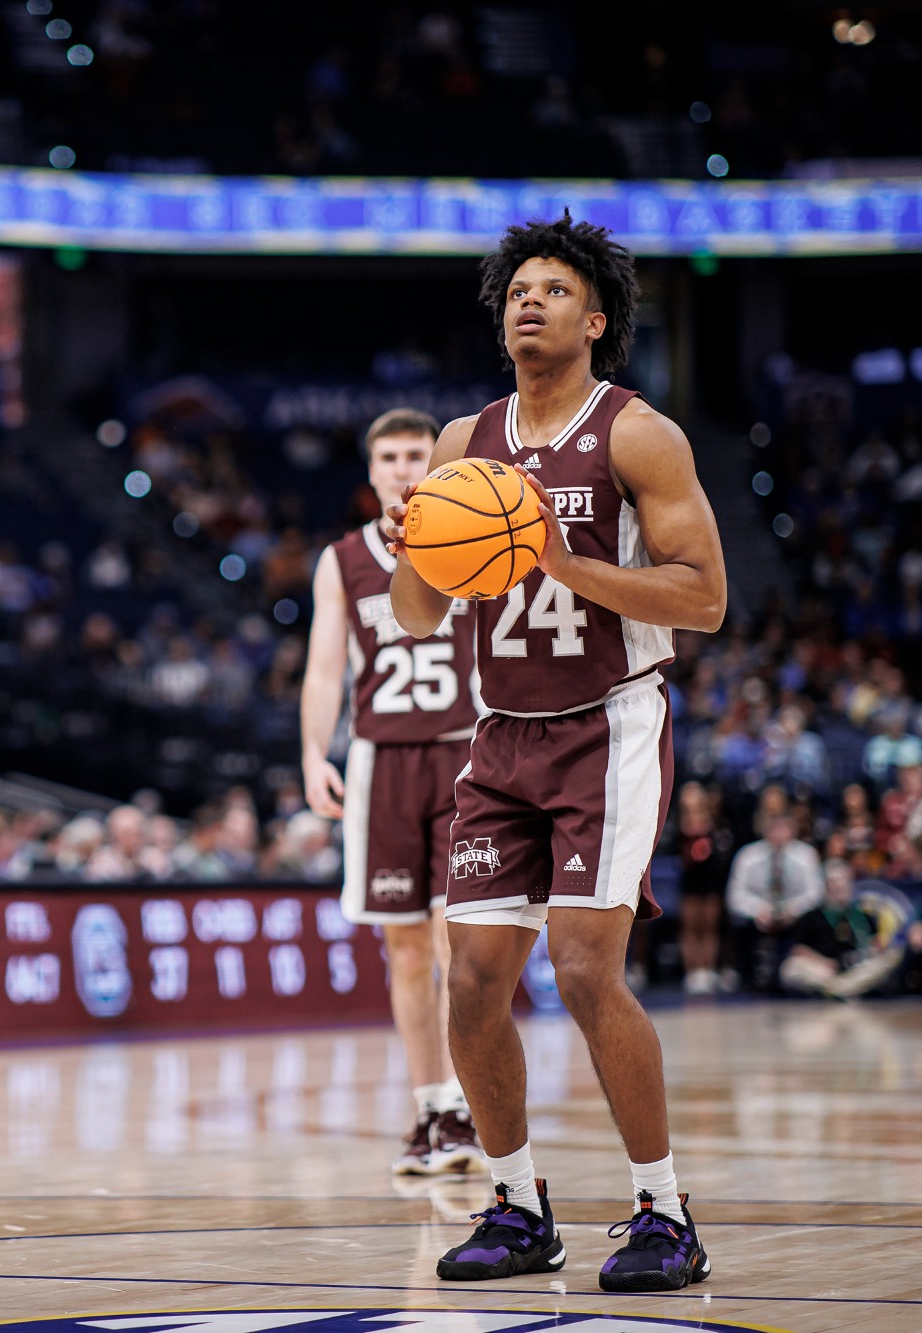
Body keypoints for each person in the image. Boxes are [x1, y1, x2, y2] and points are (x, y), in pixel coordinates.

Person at [390, 214, 727, 1292]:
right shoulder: (462, 441)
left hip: (607, 723)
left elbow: (703, 599)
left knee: (583, 968)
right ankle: (516, 1203)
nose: (527, 302)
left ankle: (663, 1211)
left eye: (551, 289)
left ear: (595, 320)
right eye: (515, 291)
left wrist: (558, 557)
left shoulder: (638, 434)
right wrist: (416, 548)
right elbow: (414, 614)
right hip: (501, 735)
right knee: (471, 979)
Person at [302, 407, 479, 1176]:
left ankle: (464, 1103)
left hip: (466, 755)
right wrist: (314, 753)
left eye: (416, 453)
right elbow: (323, 670)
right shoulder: (342, 560)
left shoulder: (477, 536)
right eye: (391, 456)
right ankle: (430, 1105)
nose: (404, 467)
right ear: (371, 471)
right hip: (381, 760)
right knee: (404, 949)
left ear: (435, 463)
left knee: (453, 941)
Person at [725, 812, 824, 990]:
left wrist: (792, 911)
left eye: (783, 829)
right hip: (759, 917)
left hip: (795, 917)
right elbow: (735, 896)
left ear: (792, 830)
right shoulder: (748, 856)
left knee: (815, 920)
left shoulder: (806, 855)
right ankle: (747, 978)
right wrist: (757, 911)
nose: (779, 835)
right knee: (738, 923)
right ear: (765, 831)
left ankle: (792, 975)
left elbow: (815, 894)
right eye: (774, 829)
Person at [778, 859, 904, 999]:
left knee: (890, 957)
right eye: (835, 882)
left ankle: (837, 990)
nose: (840, 886)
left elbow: (874, 944)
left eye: (844, 881)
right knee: (792, 967)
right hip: (823, 970)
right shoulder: (812, 916)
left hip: (856, 970)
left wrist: (876, 947)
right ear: (826, 886)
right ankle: (843, 990)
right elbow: (797, 950)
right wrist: (824, 963)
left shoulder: (862, 915)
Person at [668, 781, 732, 993]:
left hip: (710, 882)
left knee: (709, 927)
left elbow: (720, 854)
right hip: (689, 883)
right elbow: (677, 854)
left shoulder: (715, 824)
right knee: (690, 928)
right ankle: (692, 972)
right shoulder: (678, 825)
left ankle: (707, 970)